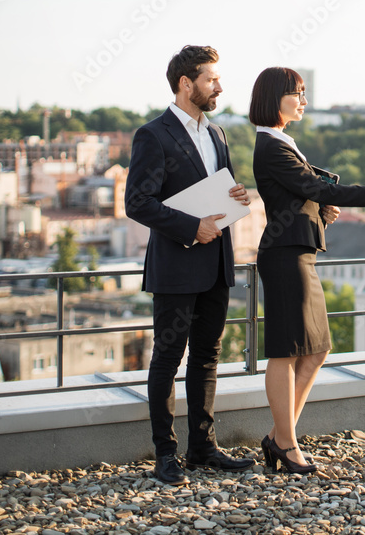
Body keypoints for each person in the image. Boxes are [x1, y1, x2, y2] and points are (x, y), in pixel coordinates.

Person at [250, 67, 365, 474]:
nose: (303, 101)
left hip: (300, 253)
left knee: (317, 350)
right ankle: (285, 442)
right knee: (286, 351)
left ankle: (278, 436)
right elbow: (318, 188)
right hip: (285, 256)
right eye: (296, 94)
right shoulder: (272, 145)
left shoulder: (284, 143)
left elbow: (304, 197)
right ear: (274, 99)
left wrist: (319, 213)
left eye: (304, 93)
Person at [124, 45, 255, 485]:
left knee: (207, 357)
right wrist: (189, 227)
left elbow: (225, 187)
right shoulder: (153, 135)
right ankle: (166, 455)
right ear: (186, 83)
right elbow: (137, 203)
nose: (219, 86)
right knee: (167, 358)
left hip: (217, 262)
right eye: (211, 79)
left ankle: (203, 447)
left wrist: (238, 196)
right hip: (177, 266)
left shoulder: (217, 134)